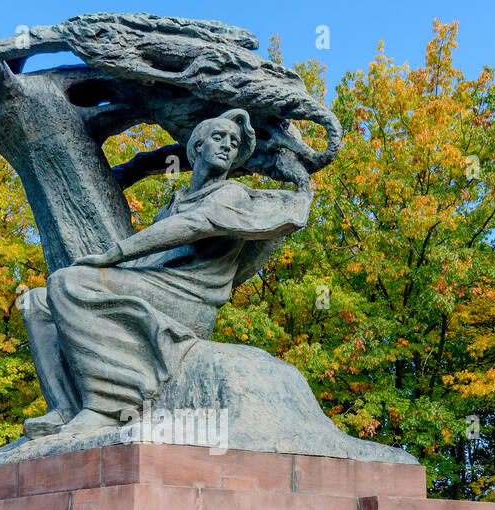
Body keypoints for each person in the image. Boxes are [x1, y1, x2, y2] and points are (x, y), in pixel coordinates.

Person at [22, 108, 312, 436]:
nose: (227, 146)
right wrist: (113, 269)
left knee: (66, 281)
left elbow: (192, 225)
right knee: (36, 302)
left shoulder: (231, 194)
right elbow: (149, 260)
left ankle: (106, 406)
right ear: (197, 146)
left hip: (188, 300)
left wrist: (110, 256)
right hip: (156, 284)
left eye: (233, 143)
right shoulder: (174, 203)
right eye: (219, 137)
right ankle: (64, 407)